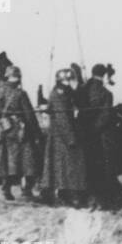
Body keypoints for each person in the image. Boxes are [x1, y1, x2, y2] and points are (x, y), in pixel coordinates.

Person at [0, 66, 40, 200]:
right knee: (27, 161)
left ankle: (5, 190)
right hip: (19, 133)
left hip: (5, 131)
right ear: (18, 77)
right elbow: (29, 115)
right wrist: (36, 133)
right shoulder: (20, 94)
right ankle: (26, 190)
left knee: (5, 161)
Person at [40, 69, 86, 205]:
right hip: (63, 137)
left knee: (64, 167)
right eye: (71, 80)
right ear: (65, 81)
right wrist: (71, 138)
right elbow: (63, 118)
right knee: (68, 167)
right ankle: (70, 195)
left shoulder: (64, 93)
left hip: (61, 136)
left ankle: (64, 193)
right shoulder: (59, 95)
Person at [79, 64, 122, 206]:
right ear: (104, 75)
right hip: (102, 137)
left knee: (90, 167)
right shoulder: (106, 94)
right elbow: (106, 116)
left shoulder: (83, 90)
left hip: (85, 136)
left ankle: (92, 198)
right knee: (106, 168)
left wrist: (88, 130)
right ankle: (107, 199)